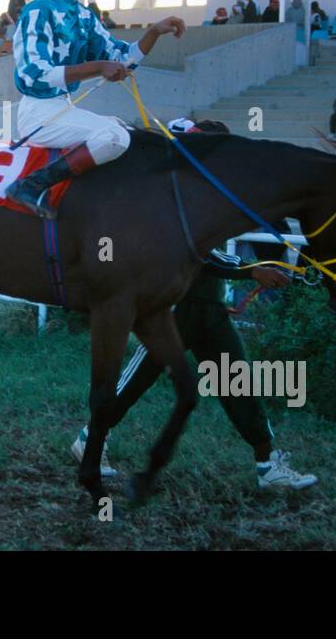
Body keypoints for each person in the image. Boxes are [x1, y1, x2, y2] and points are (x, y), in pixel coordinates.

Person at [69, 119, 316, 489]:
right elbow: (197, 251)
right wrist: (251, 271)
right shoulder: (171, 189)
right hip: (172, 308)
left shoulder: (203, 189)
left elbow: (209, 250)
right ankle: (91, 437)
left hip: (208, 306)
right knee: (137, 379)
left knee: (236, 382)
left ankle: (267, 463)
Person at [4, 0, 185, 219]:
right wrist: (97, 68)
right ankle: (30, 185)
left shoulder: (85, 16)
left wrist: (153, 32)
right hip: (37, 114)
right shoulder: (38, 11)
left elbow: (122, 58)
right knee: (114, 136)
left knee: (127, 133)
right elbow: (33, 74)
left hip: (61, 109)